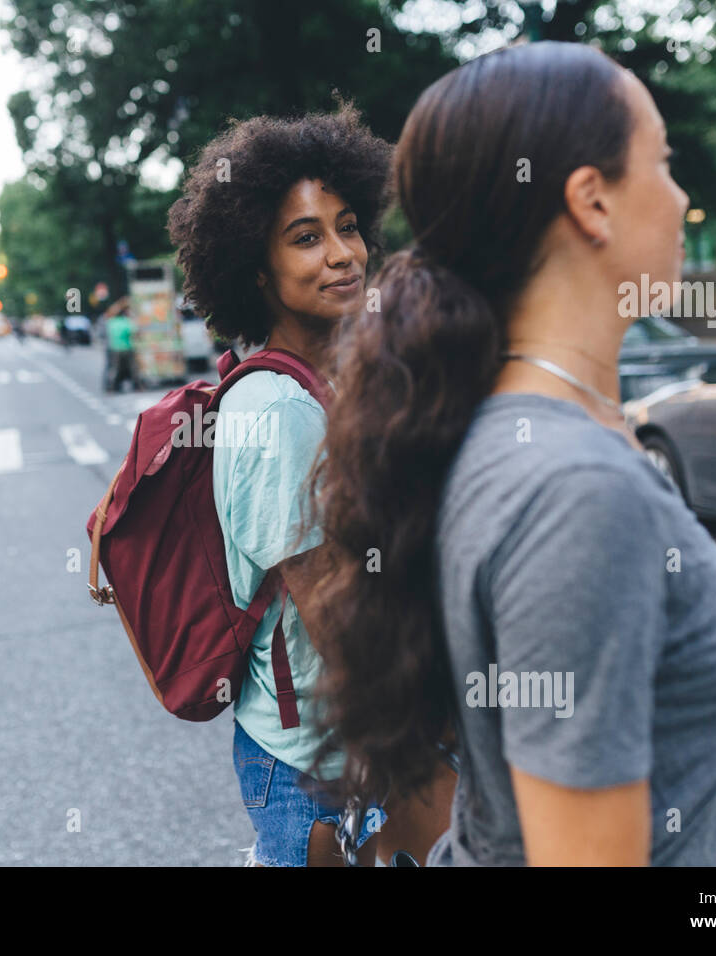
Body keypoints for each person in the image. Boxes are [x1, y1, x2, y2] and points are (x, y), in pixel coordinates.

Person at [306, 42, 716, 866]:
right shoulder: (572, 489)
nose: (680, 197)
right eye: (663, 163)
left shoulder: (494, 425)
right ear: (592, 201)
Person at [168, 104, 454, 867]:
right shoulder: (277, 407)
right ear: (255, 271)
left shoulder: (334, 378)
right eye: (306, 237)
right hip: (318, 761)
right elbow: (332, 606)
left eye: (348, 225)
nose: (342, 254)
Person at [104, 300, 135, 393]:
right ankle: (137, 386)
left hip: (114, 348)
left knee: (114, 369)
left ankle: (111, 387)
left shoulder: (111, 322)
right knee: (133, 368)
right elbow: (132, 332)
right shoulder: (126, 321)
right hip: (126, 347)